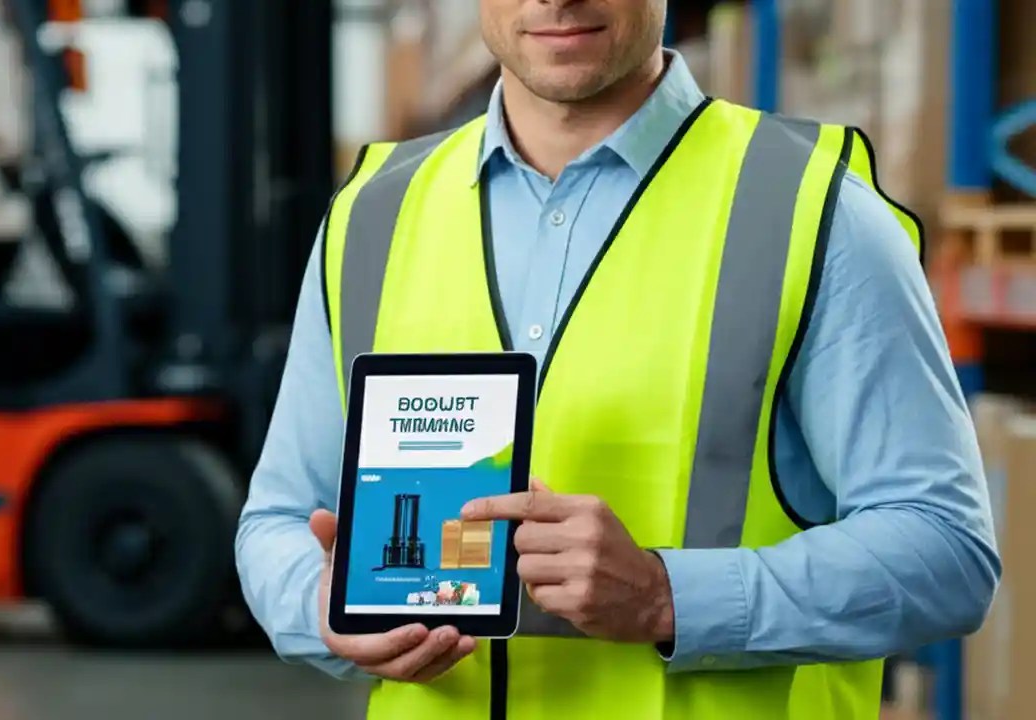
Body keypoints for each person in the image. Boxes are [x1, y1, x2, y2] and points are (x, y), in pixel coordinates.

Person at [236, 0, 1001, 717]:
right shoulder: (371, 216)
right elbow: (277, 521)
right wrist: (323, 606)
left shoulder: (814, 211)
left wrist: (670, 597)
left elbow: (946, 551)